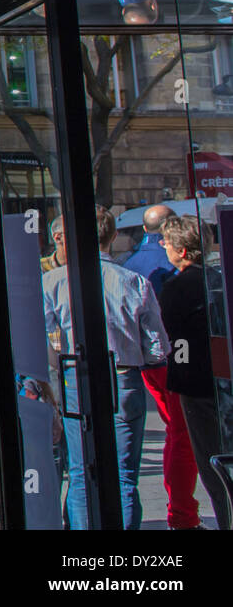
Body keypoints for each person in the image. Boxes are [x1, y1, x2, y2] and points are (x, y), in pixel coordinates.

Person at [43, 208, 169, 530]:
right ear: (113, 236)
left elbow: (42, 339)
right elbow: (157, 348)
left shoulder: (54, 282)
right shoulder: (133, 282)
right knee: (124, 476)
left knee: (82, 473)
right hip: (124, 374)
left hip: (75, 375)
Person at [119, 204, 199, 531]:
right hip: (176, 360)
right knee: (182, 435)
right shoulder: (172, 274)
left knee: (175, 433)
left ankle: (180, 512)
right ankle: (181, 514)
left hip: (152, 362)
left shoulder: (131, 264)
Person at [157, 216, 230, 530]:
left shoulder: (175, 287)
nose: (164, 247)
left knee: (210, 460)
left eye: (168, 243)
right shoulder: (219, 279)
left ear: (182, 251)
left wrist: (181, 365)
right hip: (222, 377)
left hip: (197, 386)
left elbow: (175, 340)